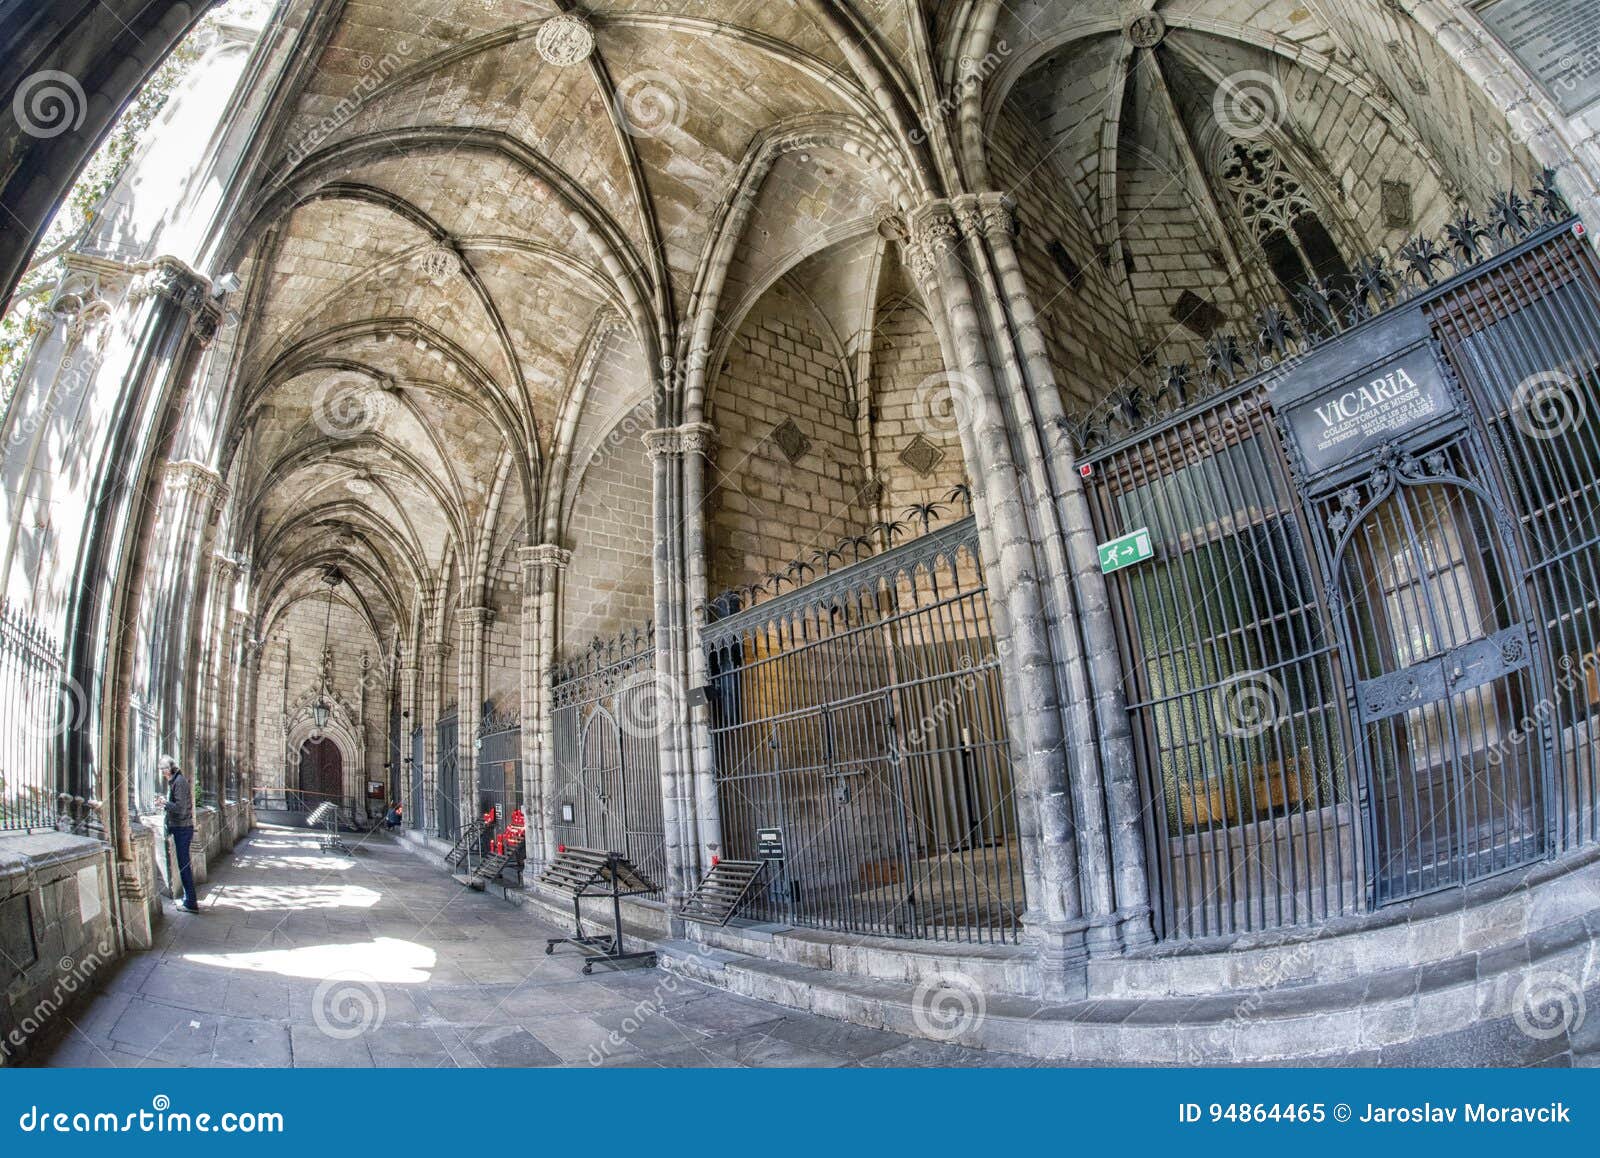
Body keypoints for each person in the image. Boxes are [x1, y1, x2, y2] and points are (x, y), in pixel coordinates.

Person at [161, 755, 199, 912]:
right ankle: (189, 900)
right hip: (181, 828)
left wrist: (165, 803)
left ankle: (190, 902)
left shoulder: (179, 782)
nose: (162, 774)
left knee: (184, 866)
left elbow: (181, 809)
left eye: (162, 770)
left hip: (182, 829)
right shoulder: (177, 781)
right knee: (184, 865)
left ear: (169, 769)